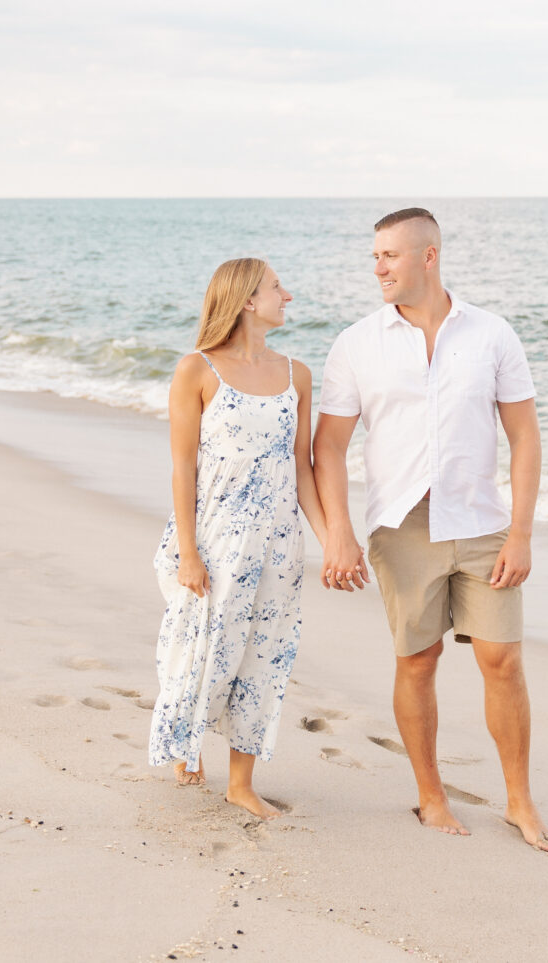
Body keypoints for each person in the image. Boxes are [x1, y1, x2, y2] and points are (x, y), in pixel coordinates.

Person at [314, 208, 548, 852]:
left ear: (428, 256)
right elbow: (330, 447)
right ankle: (430, 795)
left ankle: (518, 802)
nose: (378, 268)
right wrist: (338, 533)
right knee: (417, 661)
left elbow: (525, 436)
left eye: (389, 256)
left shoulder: (492, 334)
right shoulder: (357, 343)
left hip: (481, 522)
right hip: (400, 526)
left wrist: (522, 533)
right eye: (374, 257)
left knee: (501, 660)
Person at [149, 257, 343, 819]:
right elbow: (182, 466)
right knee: (200, 648)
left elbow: (303, 470)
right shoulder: (197, 370)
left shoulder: (296, 374)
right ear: (247, 301)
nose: (289, 295)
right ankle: (187, 746)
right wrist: (189, 551)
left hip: (279, 544)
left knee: (264, 656)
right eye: (278, 287)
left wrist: (330, 539)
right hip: (213, 539)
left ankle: (241, 782)